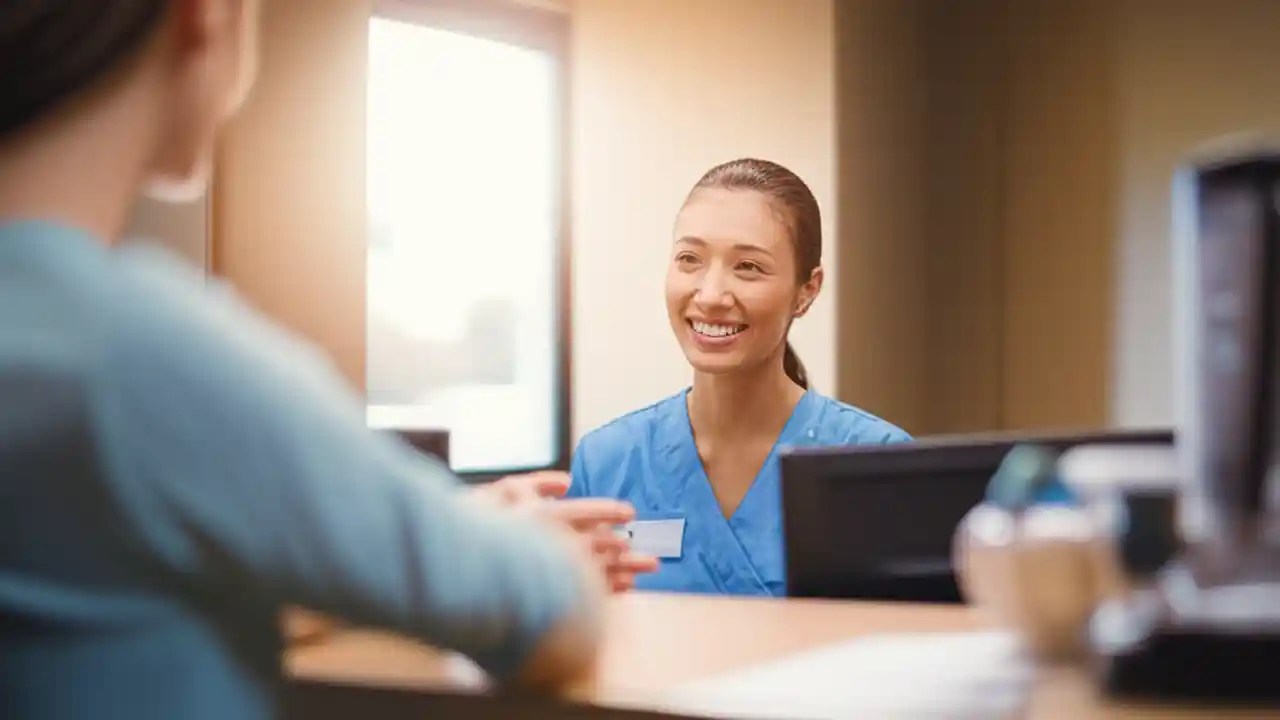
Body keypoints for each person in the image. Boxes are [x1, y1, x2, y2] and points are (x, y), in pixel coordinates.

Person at [0, 2, 652, 718]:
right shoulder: (137, 354)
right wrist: (506, 546)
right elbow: (553, 619)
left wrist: (438, 525)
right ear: (204, 18)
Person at [567, 158, 911, 596]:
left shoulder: (875, 466)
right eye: (689, 259)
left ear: (807, 290)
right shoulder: (607, 463)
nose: (710, 295)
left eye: (748, 266)